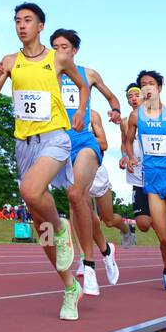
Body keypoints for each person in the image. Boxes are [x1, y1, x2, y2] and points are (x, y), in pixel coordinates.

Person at [0, 2, 88, 320]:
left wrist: (81, 111)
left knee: (31, 192)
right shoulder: (9, 61)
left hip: (54, 138)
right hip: (23, 145)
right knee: (39, 227)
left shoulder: (57, 58)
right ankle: (69, 287)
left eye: (28, 20)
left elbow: (82, 85)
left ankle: (62, 226)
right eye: (17, 21)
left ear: (41, 26)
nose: (21, 25)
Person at [49, 30, 122, 295]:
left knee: (76, 194)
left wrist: (114, 110)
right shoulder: (48, 71)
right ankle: (106, 250)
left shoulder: (88, 74)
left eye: (65, 46)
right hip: (58, 144)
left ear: (75, 50)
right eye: (55, 46)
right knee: (77, 203)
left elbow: (112, 97)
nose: (60, 51)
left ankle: (88, 265)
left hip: (84, 142)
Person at [123, 70, 166, 302]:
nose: (147, 88)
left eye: (151, 84)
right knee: (163, 236)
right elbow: (127, 141)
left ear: (160, 88)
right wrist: (130, 157)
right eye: (143, 85)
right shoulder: (135, 117)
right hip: (150, 180)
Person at [76, 110, 122, 285]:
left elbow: (103, 144)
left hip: (96, 170)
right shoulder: (58, 110)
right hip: (73, 169)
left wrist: (79, 138)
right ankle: (85, 258)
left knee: (107, 220)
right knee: (80, 210)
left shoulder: (92, 115)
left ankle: (111, 244)